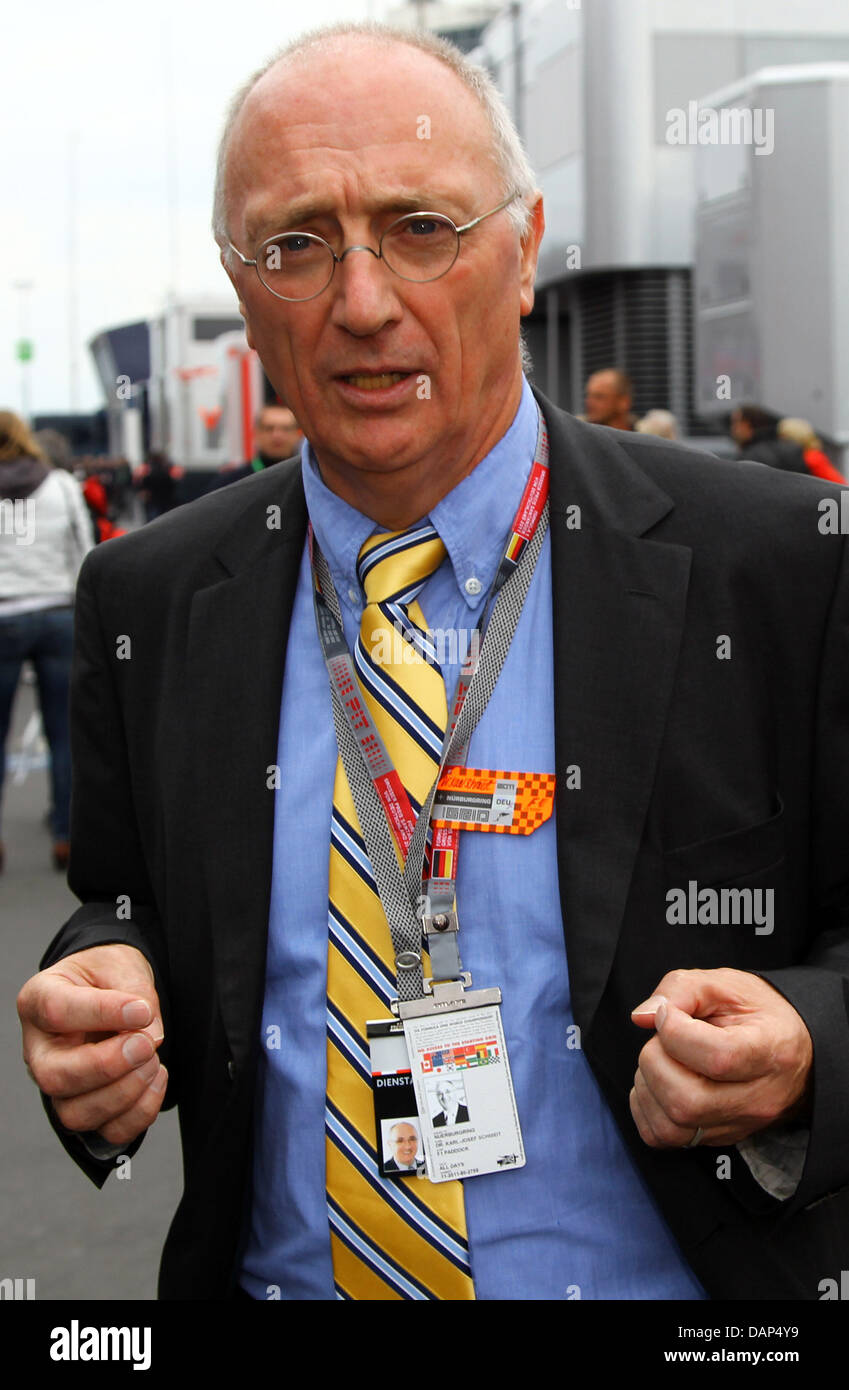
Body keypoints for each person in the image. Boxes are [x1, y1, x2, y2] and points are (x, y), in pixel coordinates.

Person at [16, 21, 849, 1302]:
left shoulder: (781, 566)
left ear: (525, 249)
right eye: (298, 245)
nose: (362, 303)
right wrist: (104, 991)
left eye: (421, 227)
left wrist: (811, 1052)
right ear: (241, 290)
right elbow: (126, 905)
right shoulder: (153, 597)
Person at [0, 410, 94, 872]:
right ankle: (66, 835)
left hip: (3, 612)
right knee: (64, 732)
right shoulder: (60, 485)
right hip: (58, 612)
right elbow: (85, 549)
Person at [215, 404, 303, 486]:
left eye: (286, 429)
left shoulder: (306, 480)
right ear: (256, 433)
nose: (277, 435)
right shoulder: (231, 482)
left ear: (298, 434)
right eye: (269, 428)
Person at [778, 417, 846, 485]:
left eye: (785, 437)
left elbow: (837, 482)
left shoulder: (812, 457)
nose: (781, 440)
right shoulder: (810, 455)